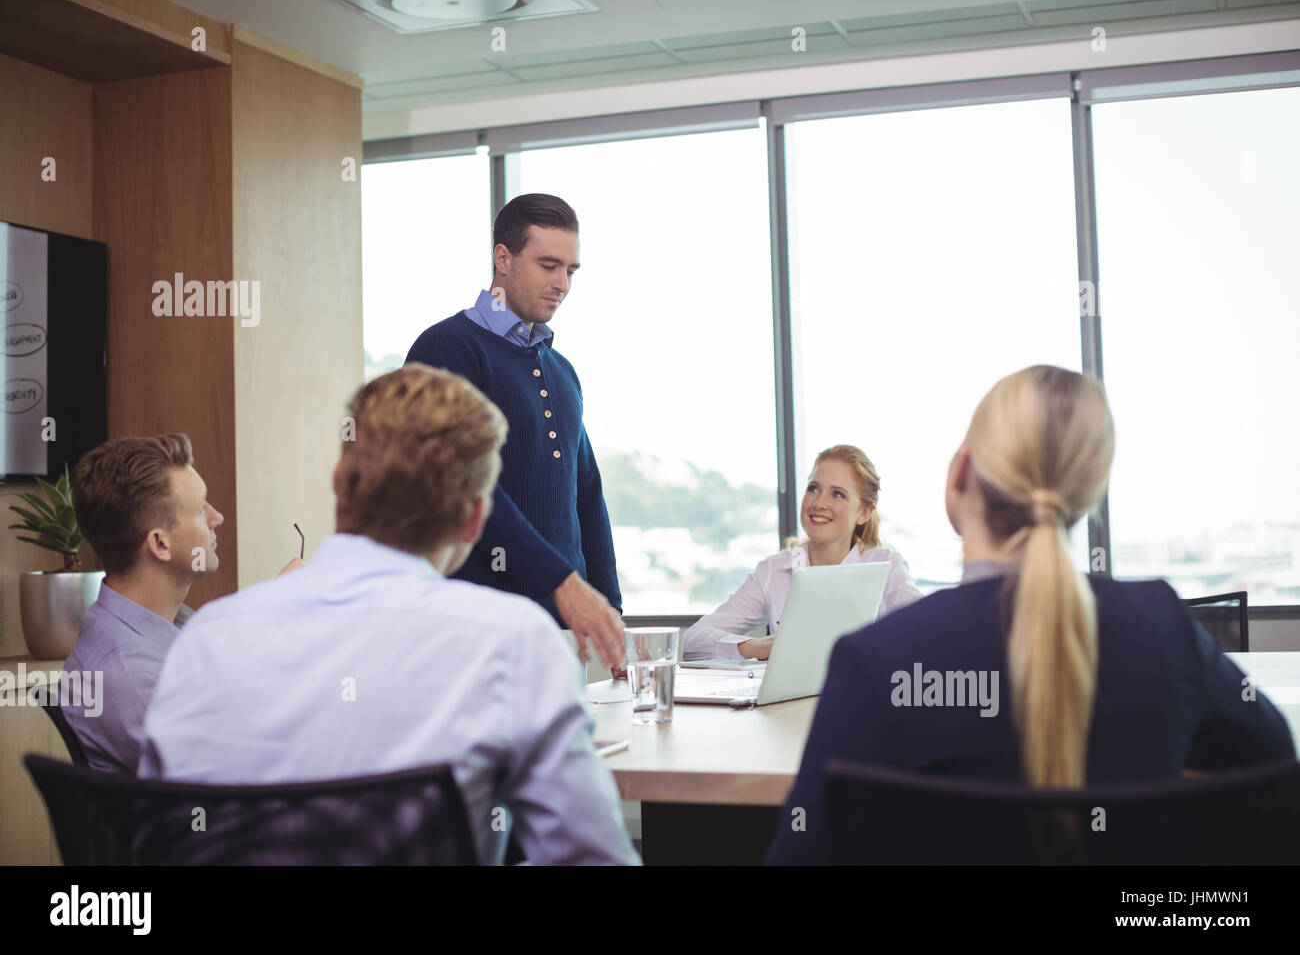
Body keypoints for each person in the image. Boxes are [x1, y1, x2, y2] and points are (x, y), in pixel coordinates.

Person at [766, 365, 1296, 865]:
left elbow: (802, 854)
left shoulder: (873, 659)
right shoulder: (1163, 626)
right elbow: (1272, 766)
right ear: (1085, 492)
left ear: (961, 471)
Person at [138, 365, 639, 866]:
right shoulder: (514, 644)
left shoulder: (206, 640)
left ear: (338, 483)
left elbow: (157, 847)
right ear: (473, 521)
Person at [405, 193, 623, 671]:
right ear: (503, 258)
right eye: (548, 265)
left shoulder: (562, 370)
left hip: (564, 637)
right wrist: (564, 583)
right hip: (478, 635)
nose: (562, 283)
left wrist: (608, 610)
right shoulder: (447, 347)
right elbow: (463, 484)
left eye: (571, 270)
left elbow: (585, 493)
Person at [62, 435, 301, 774]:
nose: (217, 517)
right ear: (160, 543)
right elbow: (246, 773)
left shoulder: (172, 626)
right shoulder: (131, 679)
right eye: (202, 508)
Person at [683, 444, 922, 661]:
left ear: (864, 513)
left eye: (837, 494)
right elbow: (693, 641)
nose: (819, 503)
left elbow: (926, 635)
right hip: (785, 705)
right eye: (813, 488)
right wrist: (757, 646)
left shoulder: (886, 566)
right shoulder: (773, 570)